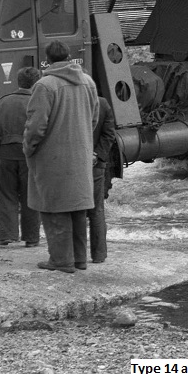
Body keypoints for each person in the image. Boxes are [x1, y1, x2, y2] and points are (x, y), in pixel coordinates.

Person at [23, 41, 99, 274]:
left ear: (48, 59)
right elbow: (94, 117)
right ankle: (79, 259)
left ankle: (60, 260)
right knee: (77, 207)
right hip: (81, 154)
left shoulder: (45, 85)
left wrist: (28, 148)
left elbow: (36, 126)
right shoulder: (88, 82)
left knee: (53, 207)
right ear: (69, 56)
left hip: (52, 156)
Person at [0, 66, 42, 248]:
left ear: (17, 82)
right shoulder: (38, 102)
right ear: (37, 83)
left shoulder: (4, 102)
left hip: (7, 154)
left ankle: (7, 235)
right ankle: (31, 238)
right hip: (31, 156)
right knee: (31, 196)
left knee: (6, 195)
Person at [87, 96, 116, 264]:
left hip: (73, 165)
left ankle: (74, 255)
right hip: (96, 163)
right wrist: (96, 154)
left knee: (71, 210)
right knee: (97, 210)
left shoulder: (67, 100)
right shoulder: (102, 103)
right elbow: (109, 133)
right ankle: (99, 255)